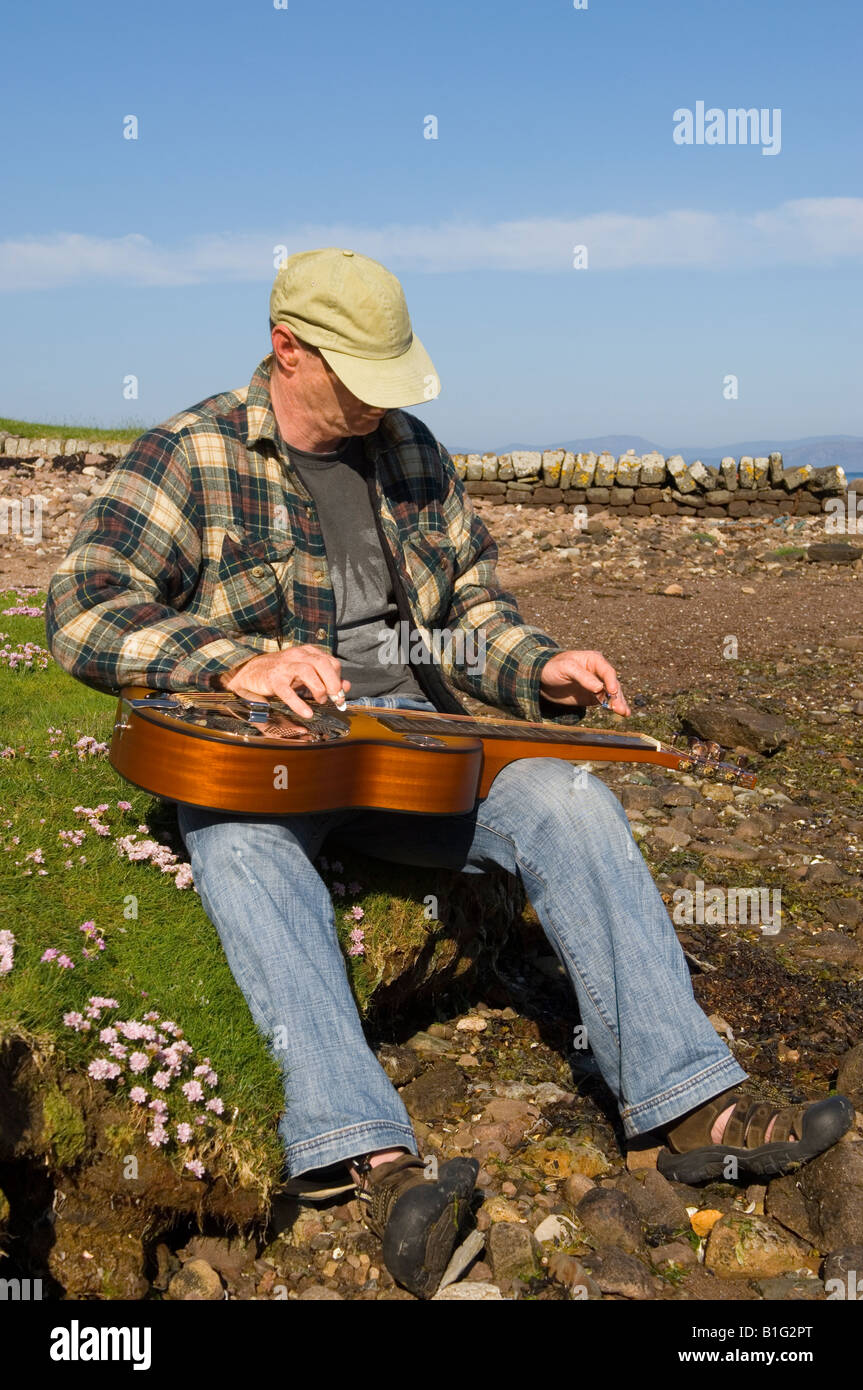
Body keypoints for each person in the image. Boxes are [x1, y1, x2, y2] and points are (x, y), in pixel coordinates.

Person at [45, 248, 853, 1299]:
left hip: (416, 754)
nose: (382, 402)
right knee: (236, 840)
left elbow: (473, 610)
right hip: (268, 766)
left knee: (564, 794)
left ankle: (685, 1101)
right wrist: (235, 661)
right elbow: (82, 606)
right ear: (287, 348)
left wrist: (539, 666)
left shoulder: (413, 453)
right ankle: (371, 1159)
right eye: (359, 376)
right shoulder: (187, 453)